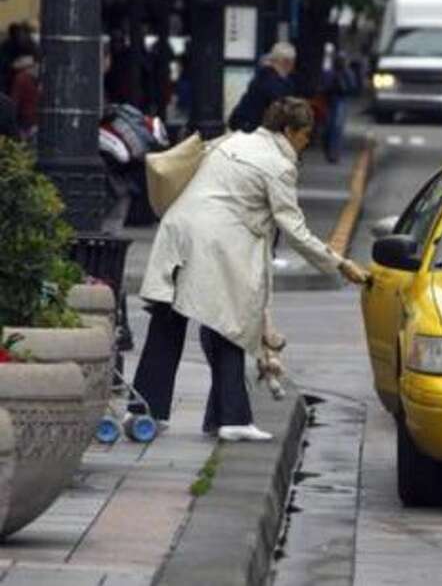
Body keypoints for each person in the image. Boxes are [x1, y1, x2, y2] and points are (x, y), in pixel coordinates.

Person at [132, 97, 370, 441]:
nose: (306, 143)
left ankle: (144, 410)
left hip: (178, 231)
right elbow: (295, 229)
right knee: (229, 325)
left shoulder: (233, 140)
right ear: (288, 131)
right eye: (305, 136)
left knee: (168, 322)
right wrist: (339, 264)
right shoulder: (278, 165)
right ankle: (233, 419)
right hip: (215, 245)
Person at [229, 42, 296, 133]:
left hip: (243, 124)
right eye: (292, 62)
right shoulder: (276, 84)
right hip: (254, 130)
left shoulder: (262, 75)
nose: (292, 67)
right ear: (286, 62)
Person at [321, 53, 357, 163]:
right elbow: (324, 86)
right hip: (331, 101)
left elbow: (352, 87)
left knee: (336, 128)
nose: (340, 63)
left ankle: (334, 154)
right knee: (330, 128)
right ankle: (330, 151)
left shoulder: (346, 73)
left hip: (340, 100)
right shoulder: (330, 73)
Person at [8, 56, 39, 141]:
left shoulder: (22, 79)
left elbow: (15, 101)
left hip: (27, 120)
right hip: (29, 120)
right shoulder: (23, 79)